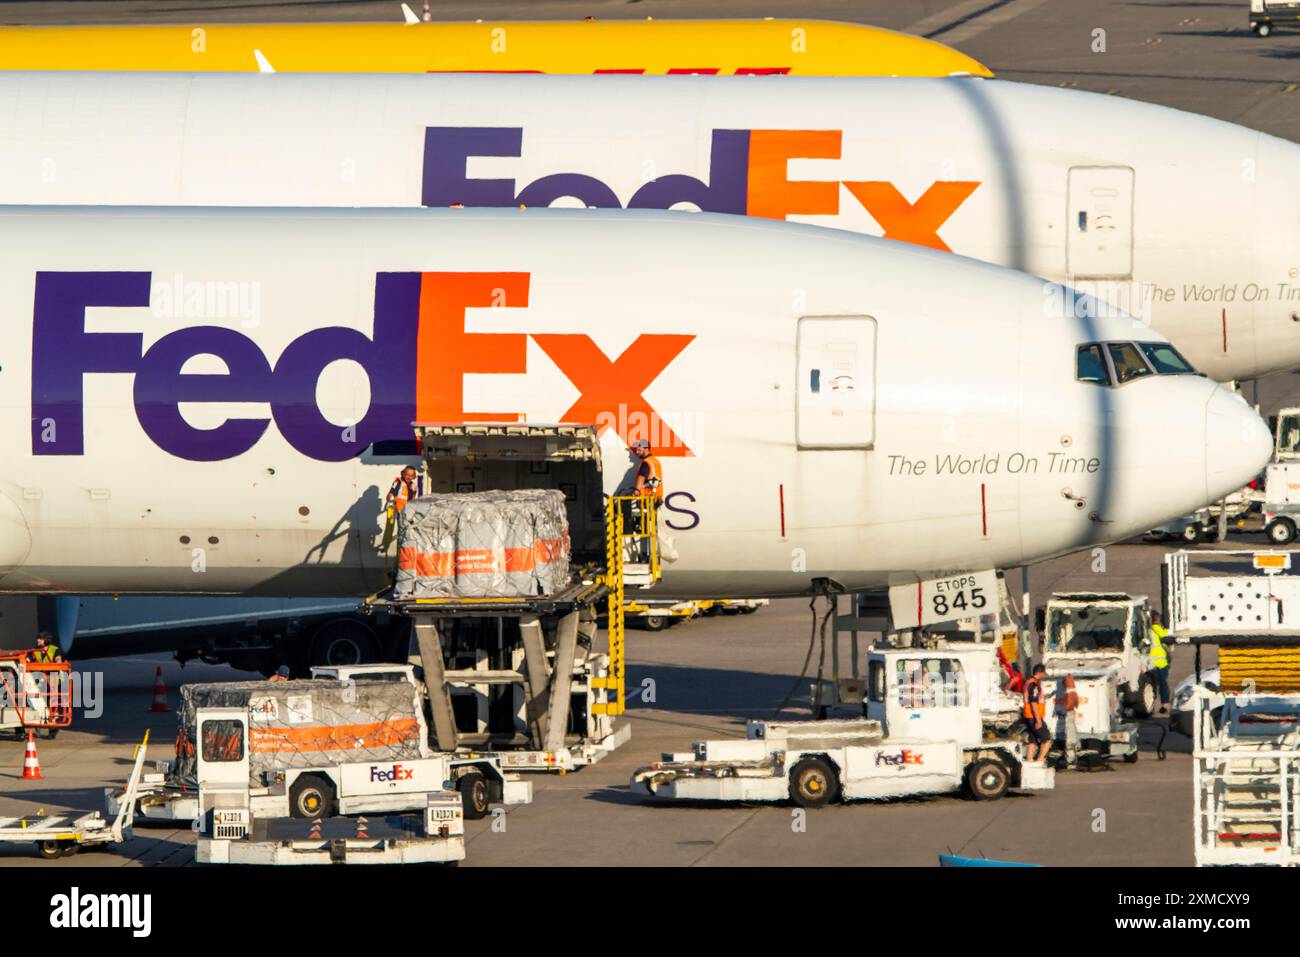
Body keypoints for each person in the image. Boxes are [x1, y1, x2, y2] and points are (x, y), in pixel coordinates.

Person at [1022, 664, 1051, 764]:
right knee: (1047, 740)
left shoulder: (1028, 682)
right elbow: (1033, 703)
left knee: (1033, 741)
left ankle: (1029, 762)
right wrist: (1038, 720)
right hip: (1034, 717)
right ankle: (1040, 761)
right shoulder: (1034, 685)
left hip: (1028, 716)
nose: (1043, 676)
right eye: (1043, 674)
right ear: (1040, 673)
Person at [1054, 673, 1080, 766]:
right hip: (1071, 714)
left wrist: (1065, 707)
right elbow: (1076, 703)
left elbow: (1069, 704)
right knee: (1071, 733)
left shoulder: (1070, 692)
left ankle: (1070, 760)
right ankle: (1071, 758)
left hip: (1069, 714)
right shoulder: (1073, 691)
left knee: (1069, 734)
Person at [1149, 610, 1171, 714]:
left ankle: (1152, 704)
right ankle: (1165, 705)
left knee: (1153, 686)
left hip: (1152, 662)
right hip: (1160, 662)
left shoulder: (1148, 630)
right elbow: (1165, 635)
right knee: (1163, 685)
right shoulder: (1156, 628)